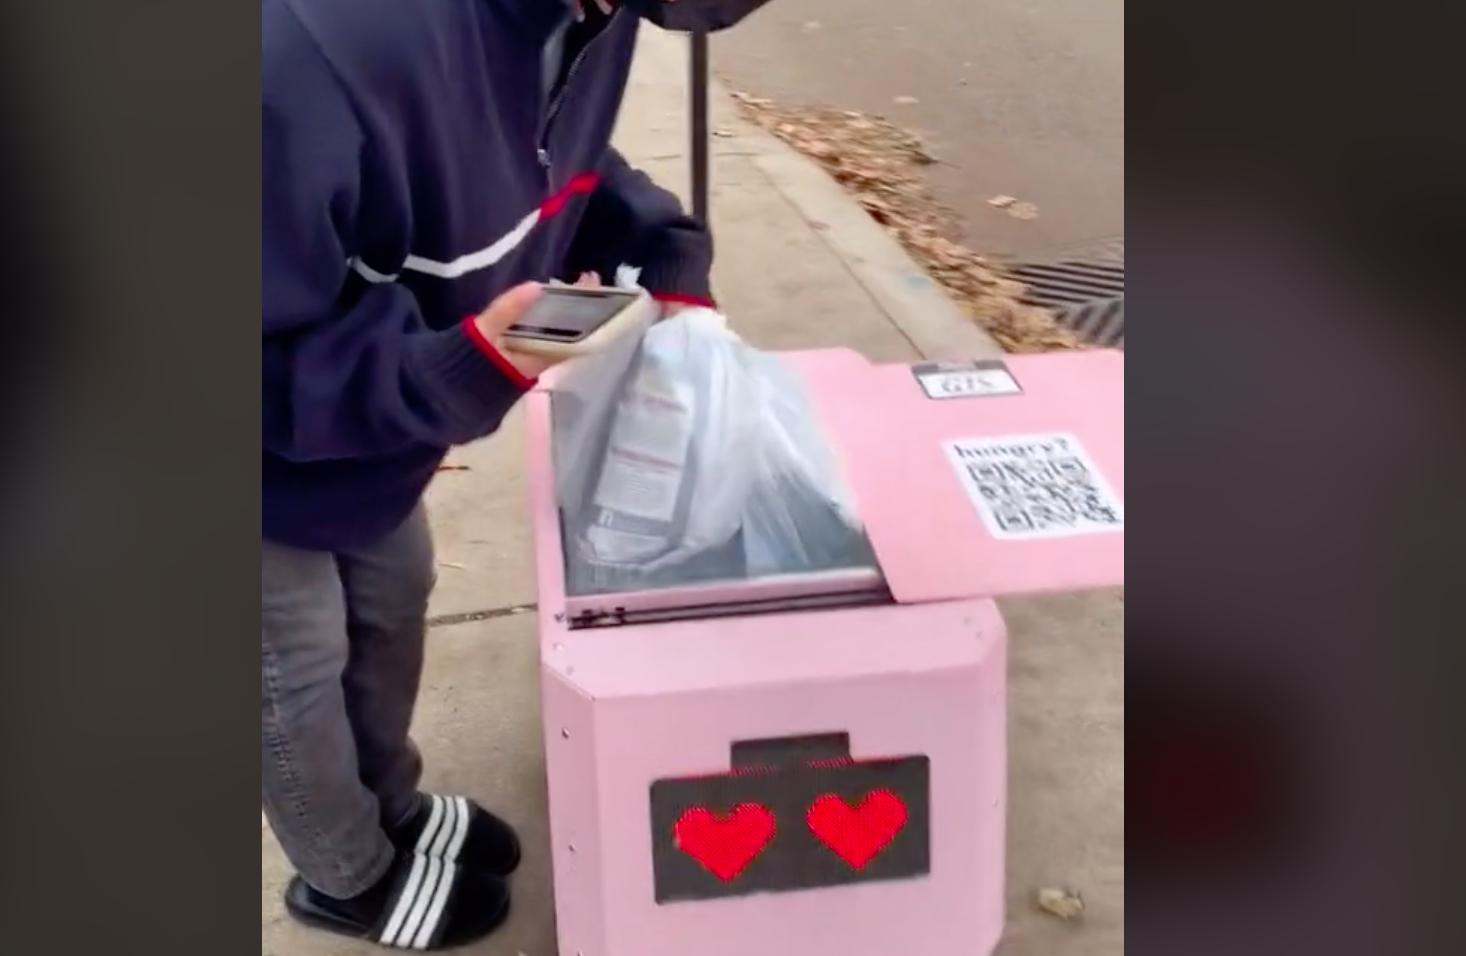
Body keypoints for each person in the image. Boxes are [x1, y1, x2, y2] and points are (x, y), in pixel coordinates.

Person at [262, 0, 774, 948]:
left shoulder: (586, 13)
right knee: (287, 662)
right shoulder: (307, 50)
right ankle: (343, 872)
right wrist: (450, 372)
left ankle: (389, 809)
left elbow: (535, 156)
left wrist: (654, 245)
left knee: (391, 591)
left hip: (357, 411)